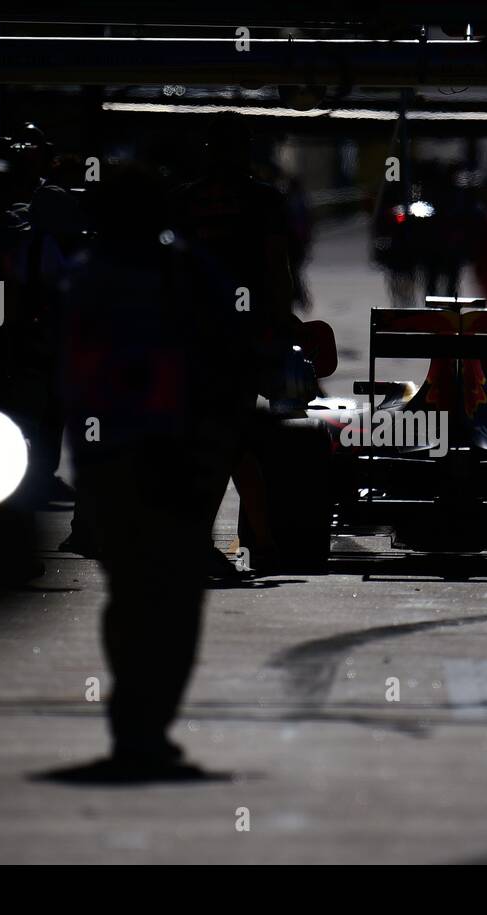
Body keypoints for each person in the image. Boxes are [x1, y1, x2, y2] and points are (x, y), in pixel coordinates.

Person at [60, 162, 206, 775]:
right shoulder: (187, 273)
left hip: (108, 461)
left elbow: (66, 376)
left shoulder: (83, 279)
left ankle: (135, 721)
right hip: (167, 456)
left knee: (129, 595)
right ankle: (145, 723)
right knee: (170, 599)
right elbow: (222, 355)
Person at [170, 114, 302, 576]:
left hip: (193, 340)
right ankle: (258, 542)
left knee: (210, 442)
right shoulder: (263, 201)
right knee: (236, 439)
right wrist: (282, 325)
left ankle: (224, 540)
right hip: (241, 342)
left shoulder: (185, 200)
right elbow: (275, 267)